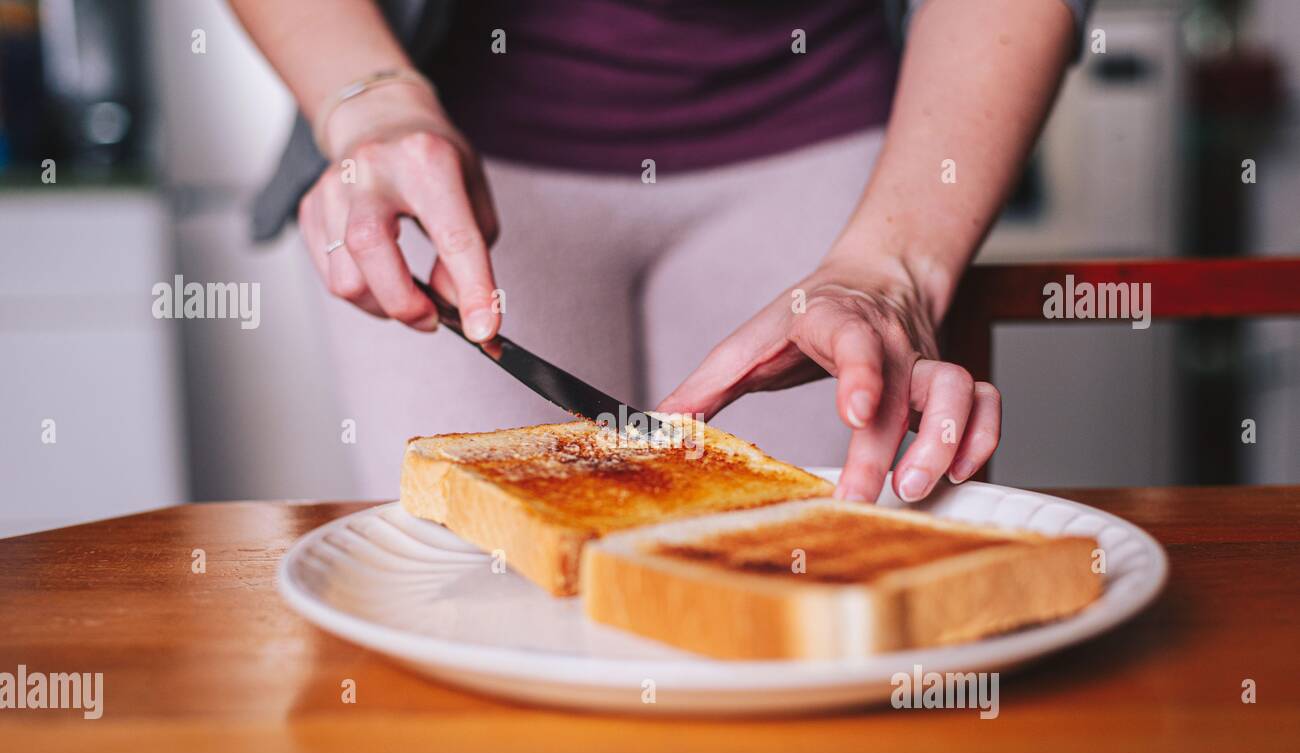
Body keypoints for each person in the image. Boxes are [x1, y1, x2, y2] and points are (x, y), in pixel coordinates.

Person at [234, 0, 1090, 501]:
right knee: (468, 612)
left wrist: (892, 265)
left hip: (833, 143)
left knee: (822, 607)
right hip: (462, 154)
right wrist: (369, 101)